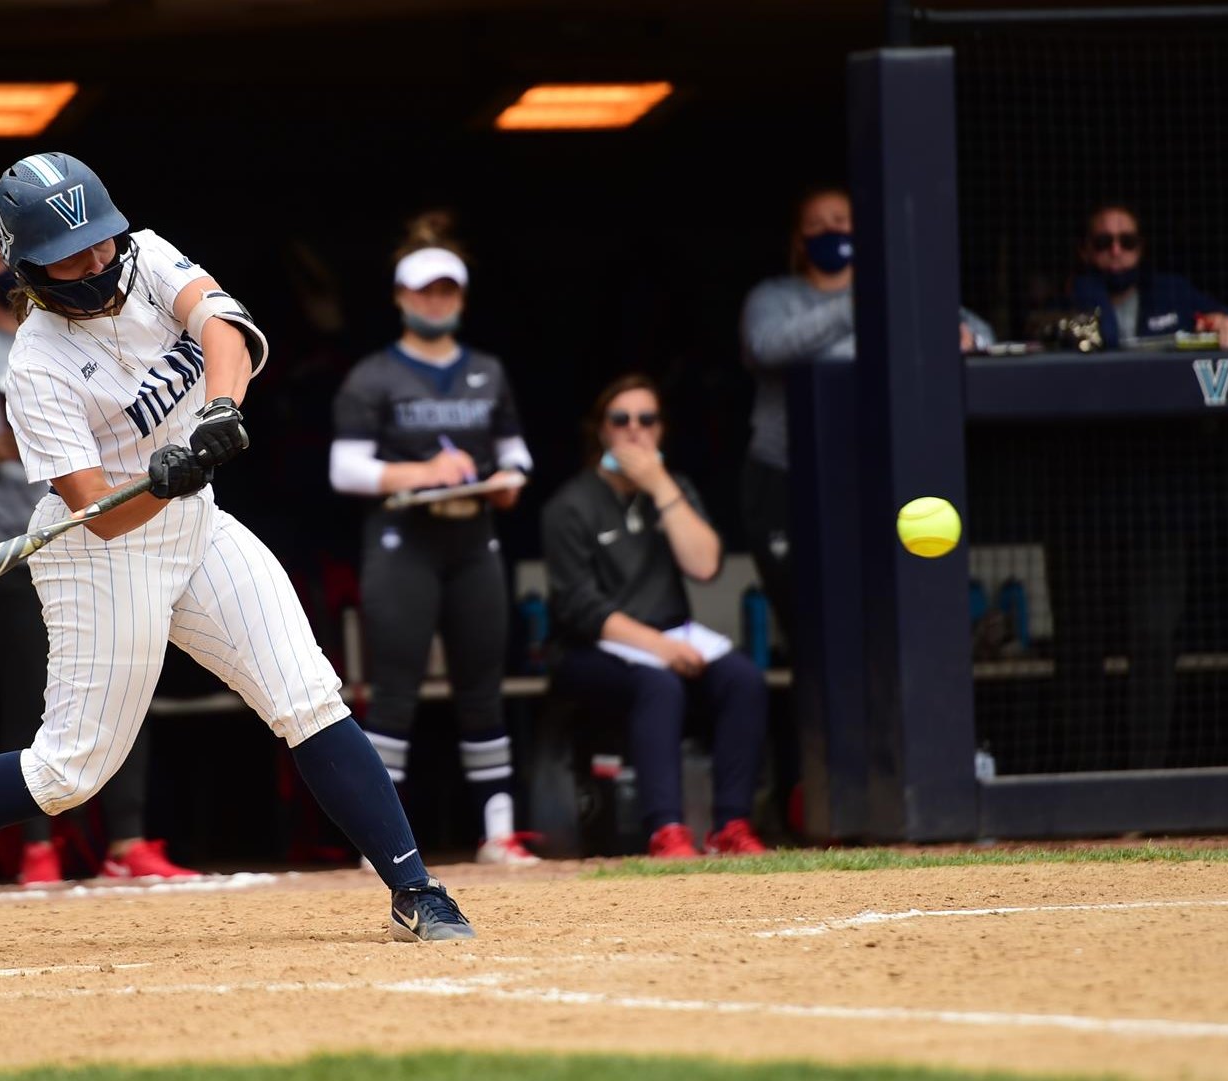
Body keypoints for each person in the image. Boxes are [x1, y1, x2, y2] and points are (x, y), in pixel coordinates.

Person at [0, 152, 474, 955]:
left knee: (307, 697)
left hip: (198, 525)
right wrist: (170, 475)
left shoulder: (149, 254)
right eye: (71, 253)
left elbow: (223, 328)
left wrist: (218, 414)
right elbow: (98, 513)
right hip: (105, 555)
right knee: (68, 772)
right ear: (27, 267)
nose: (96, 262)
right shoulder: (36, 366)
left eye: (99, 241)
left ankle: (415, 889)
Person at [0, 221, 195, 885]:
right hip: (9, 541)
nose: (2, 275)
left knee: (128, 676)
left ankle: (127, 840)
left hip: (107, 529)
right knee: (33, 695)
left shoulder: (99, 328)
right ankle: (36, 848)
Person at [739, 186, 992, 827]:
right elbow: (769, 345)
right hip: (789, 482)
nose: (832, 232)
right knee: (817, 637)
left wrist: (948, 329)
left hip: (884, 487)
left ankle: (903, 778)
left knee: (896, 626)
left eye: (844, 222)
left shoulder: (897, 287)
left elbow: (978, 333)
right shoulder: (777, 294)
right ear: (800, 238)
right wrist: (865, 299)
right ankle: (812, 793)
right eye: (818, 224)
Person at [329, 214, 537, 866]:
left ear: (462, 297)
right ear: (399, 295)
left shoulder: (488, 371)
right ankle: (380, 844)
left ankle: (498, 833)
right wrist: (424, 471)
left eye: (446, 290)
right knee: (394, 690)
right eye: (423, 290)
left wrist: (510, 479)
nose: (435, 301)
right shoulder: (373, 376)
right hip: (403, 539)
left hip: (474, 537)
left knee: (483, 684)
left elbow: (516, 451)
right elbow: (345, 468)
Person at [542, 375, 770, 858]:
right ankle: (666, 830)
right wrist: (662, 649)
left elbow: (705, 565)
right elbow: (581, 607)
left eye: (647, 420)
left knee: (742, 679)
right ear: (600, 431)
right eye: (620, 420)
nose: (634, 431)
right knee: (659, 683)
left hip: (671, 636)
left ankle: (731, 825)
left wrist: (660, 484)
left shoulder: (672, 489)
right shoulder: (570, 504)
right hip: (591, 650)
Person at [1069, 203, 1228, 350]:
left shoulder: (1171, 292)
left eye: (1127, 242)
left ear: (1140, 247)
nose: (1116, 251)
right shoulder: (1070, 300)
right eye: (1103, 243)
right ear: (1085, 250)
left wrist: (1223, 322)